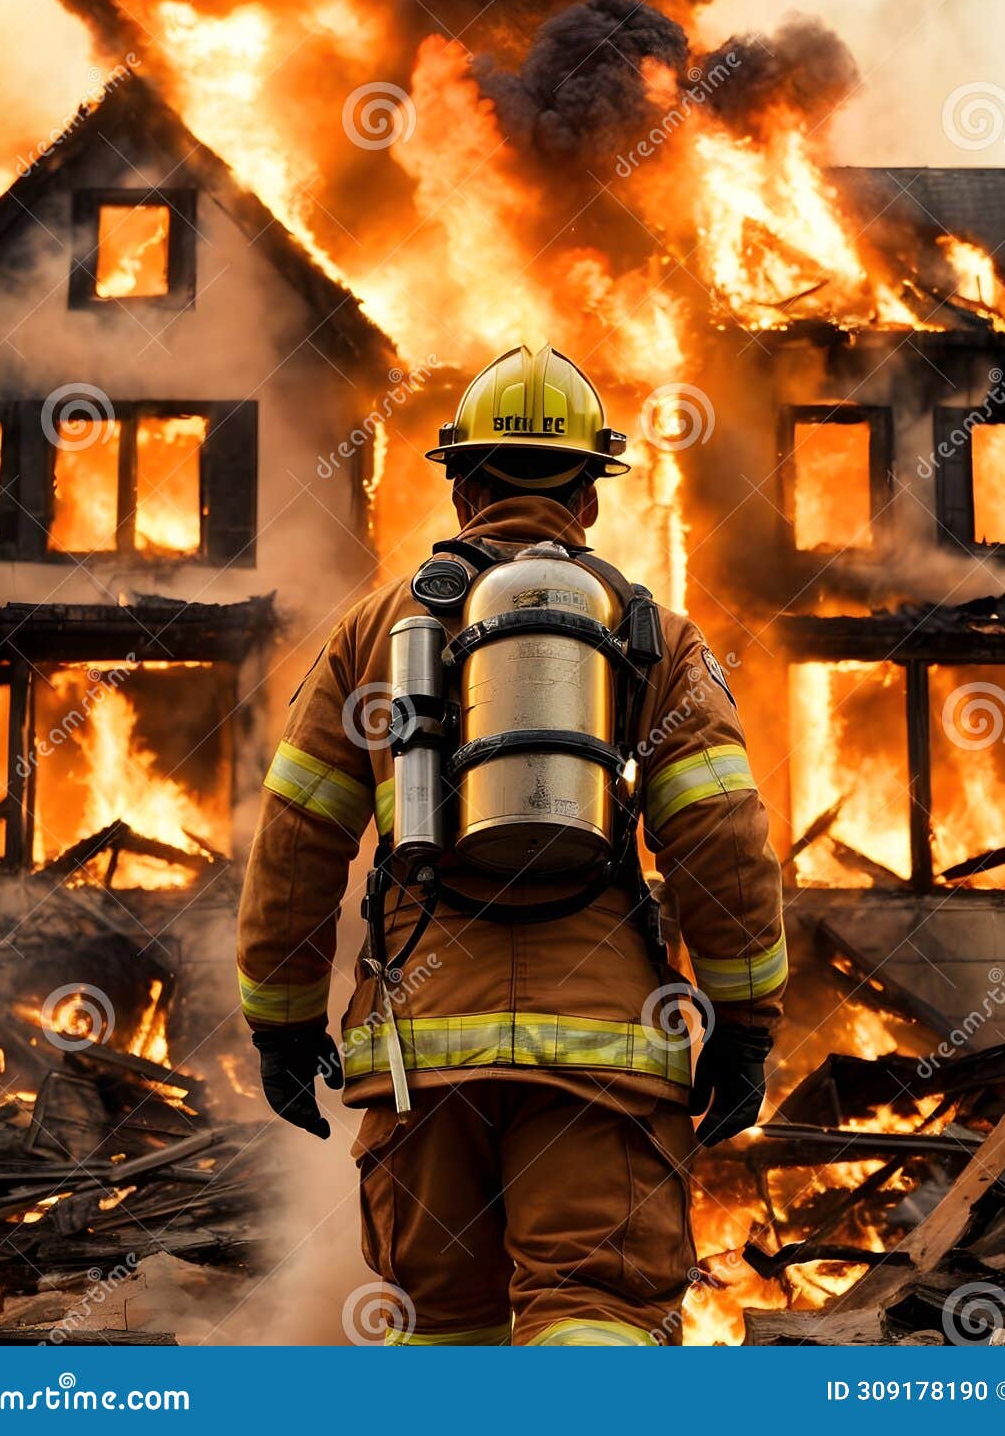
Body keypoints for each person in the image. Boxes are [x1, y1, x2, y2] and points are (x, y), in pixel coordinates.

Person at [238, 344, 786, 1346]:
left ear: (463, 484)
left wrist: (280, 1021)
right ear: (589, 496)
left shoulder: (372, 630)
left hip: (422, 1056)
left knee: (445, 1328)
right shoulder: (654, 634)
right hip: (607, 1059)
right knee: (594, 1312)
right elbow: (720, 836)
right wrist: (745, 1024)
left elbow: (299, 841)